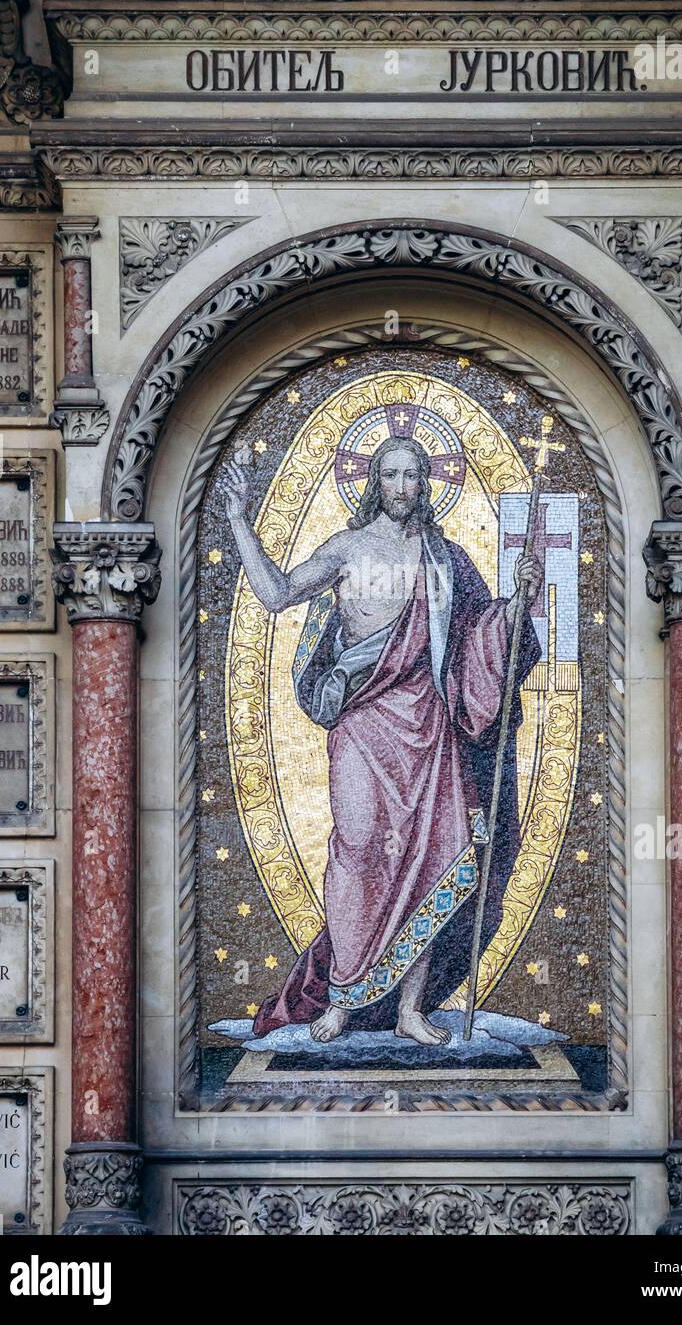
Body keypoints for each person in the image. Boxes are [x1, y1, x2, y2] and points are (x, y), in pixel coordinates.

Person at [222, 435, 539, 1045]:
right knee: (358, 854)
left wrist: (520, 597)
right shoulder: (348, 548)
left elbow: (481, 640)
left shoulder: (444, 559)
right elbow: (277, 593)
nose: (402, 486)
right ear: (375, 483)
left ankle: (409, 1011)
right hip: (364, 727)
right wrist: (239, 522)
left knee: (430, 862)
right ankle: (341, 997)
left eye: (414, 475)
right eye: (391, 475)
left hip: (429, 727)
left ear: (427, 484)